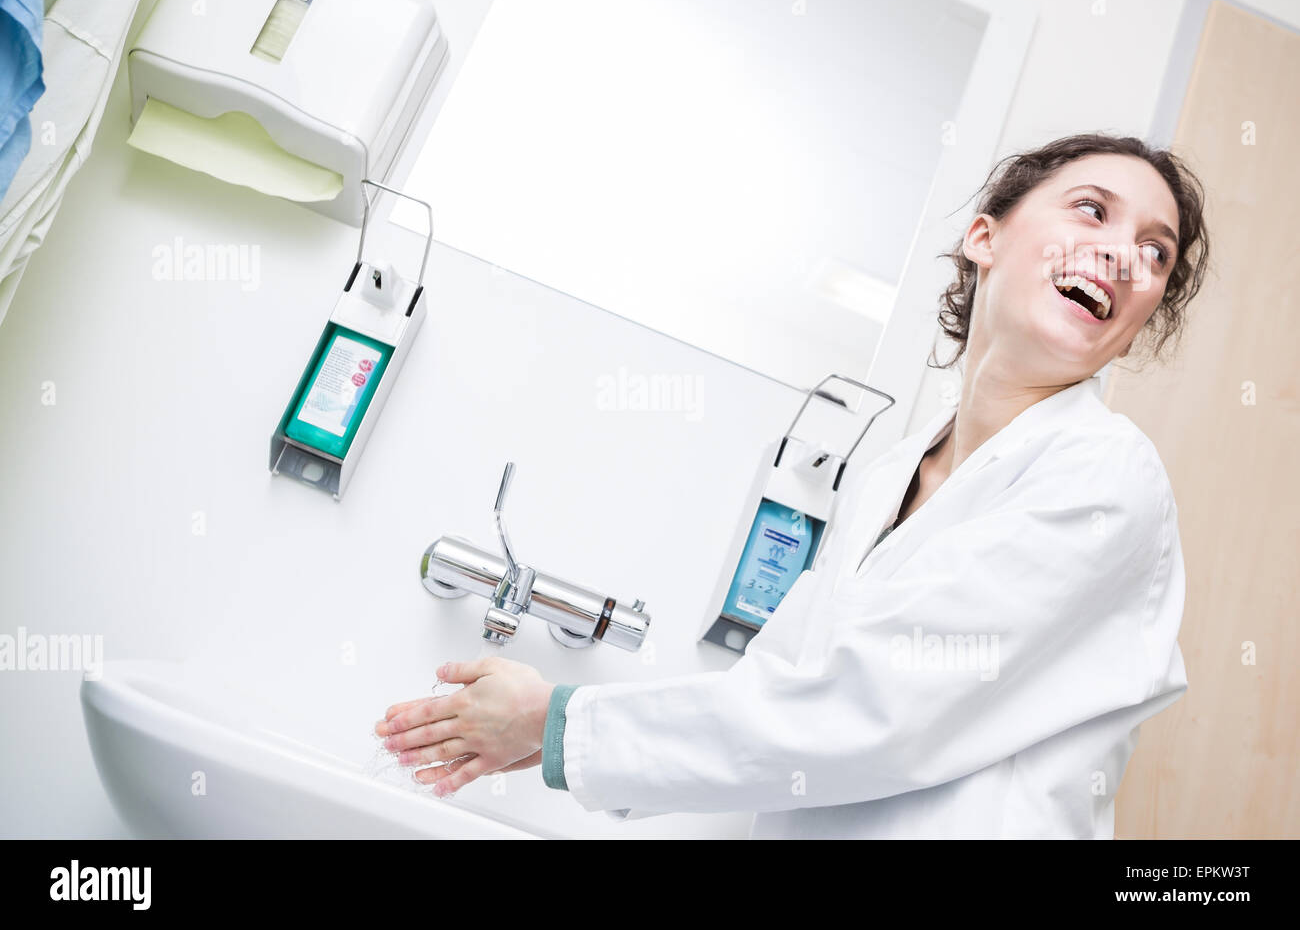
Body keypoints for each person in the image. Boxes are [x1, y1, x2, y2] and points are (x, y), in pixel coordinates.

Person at [375, 132, 1210, 837]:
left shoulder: (1106, 477)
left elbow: (873, 713)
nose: (1122, 254)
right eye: (1092, 210)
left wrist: (562, 725)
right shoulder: (889, 473)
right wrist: (565, 739)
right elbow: (776, 697)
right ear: (985, 237)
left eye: (1155, 253)